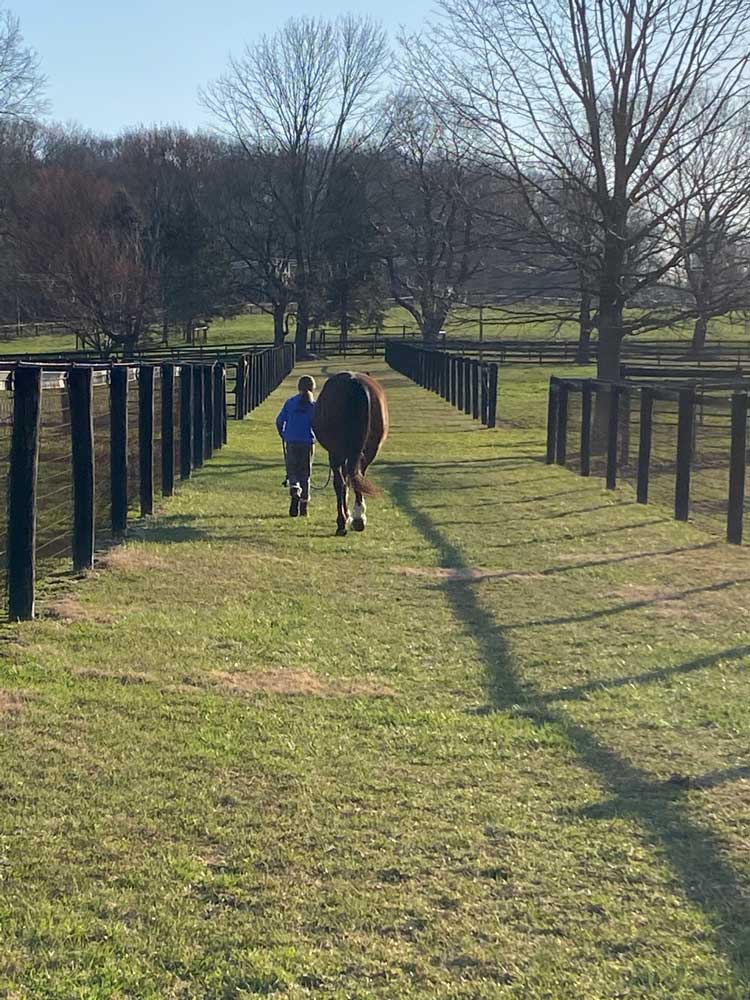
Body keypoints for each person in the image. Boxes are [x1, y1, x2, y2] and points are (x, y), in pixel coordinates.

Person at [276, 375, 316, 517]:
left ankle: (294, 487)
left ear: (298, 387)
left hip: (291, 441)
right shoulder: (313, 406)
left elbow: (279, 421)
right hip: (307, 442)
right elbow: (317, 425)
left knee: (292, 469)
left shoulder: (290, 403)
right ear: (312, 388)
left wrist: (283, 434)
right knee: (305, 474)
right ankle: (304, 507)